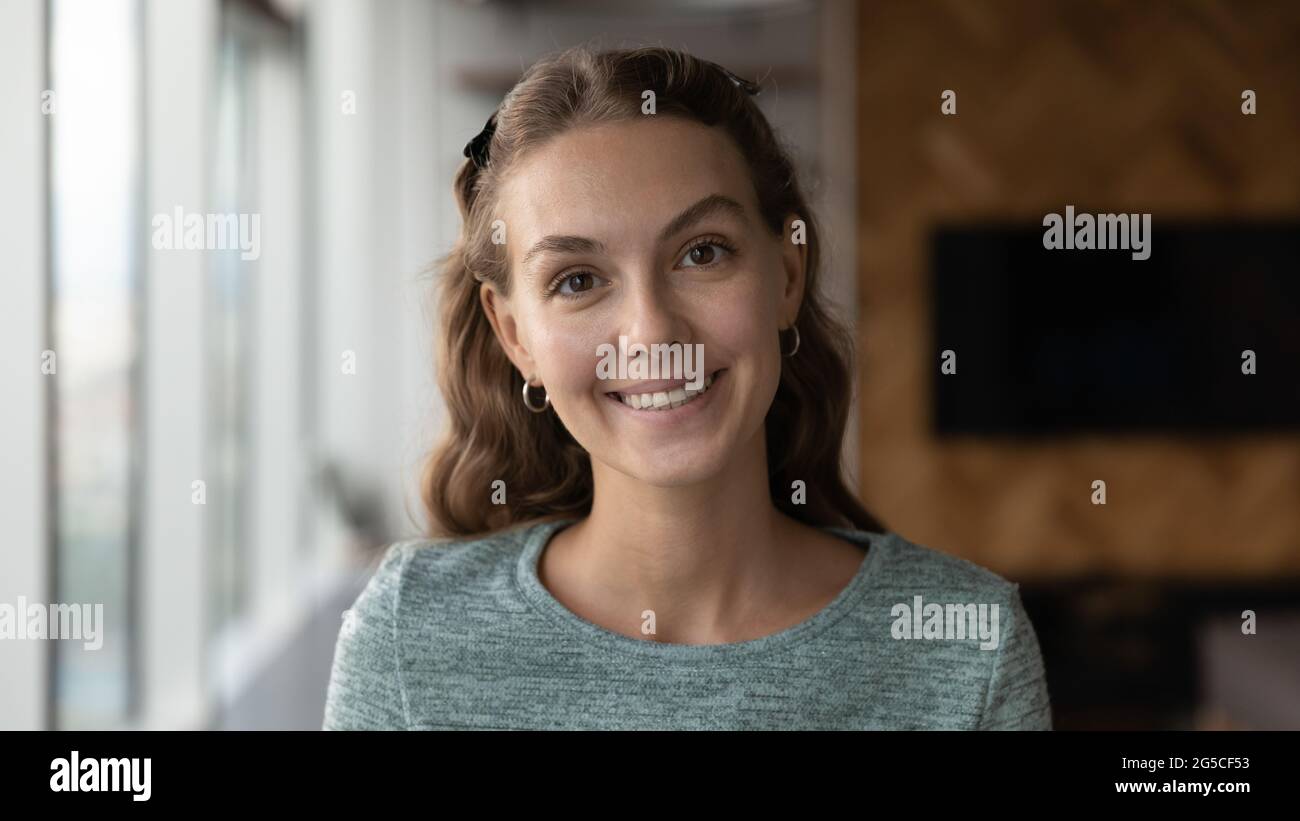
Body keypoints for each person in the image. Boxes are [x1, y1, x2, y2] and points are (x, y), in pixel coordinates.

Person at [323, 45, 1051, 730]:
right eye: (578, 279)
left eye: (702, 253)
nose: (653, 332)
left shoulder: (965, 647)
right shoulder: (407, 631)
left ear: (787, 277)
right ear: (515, 335)